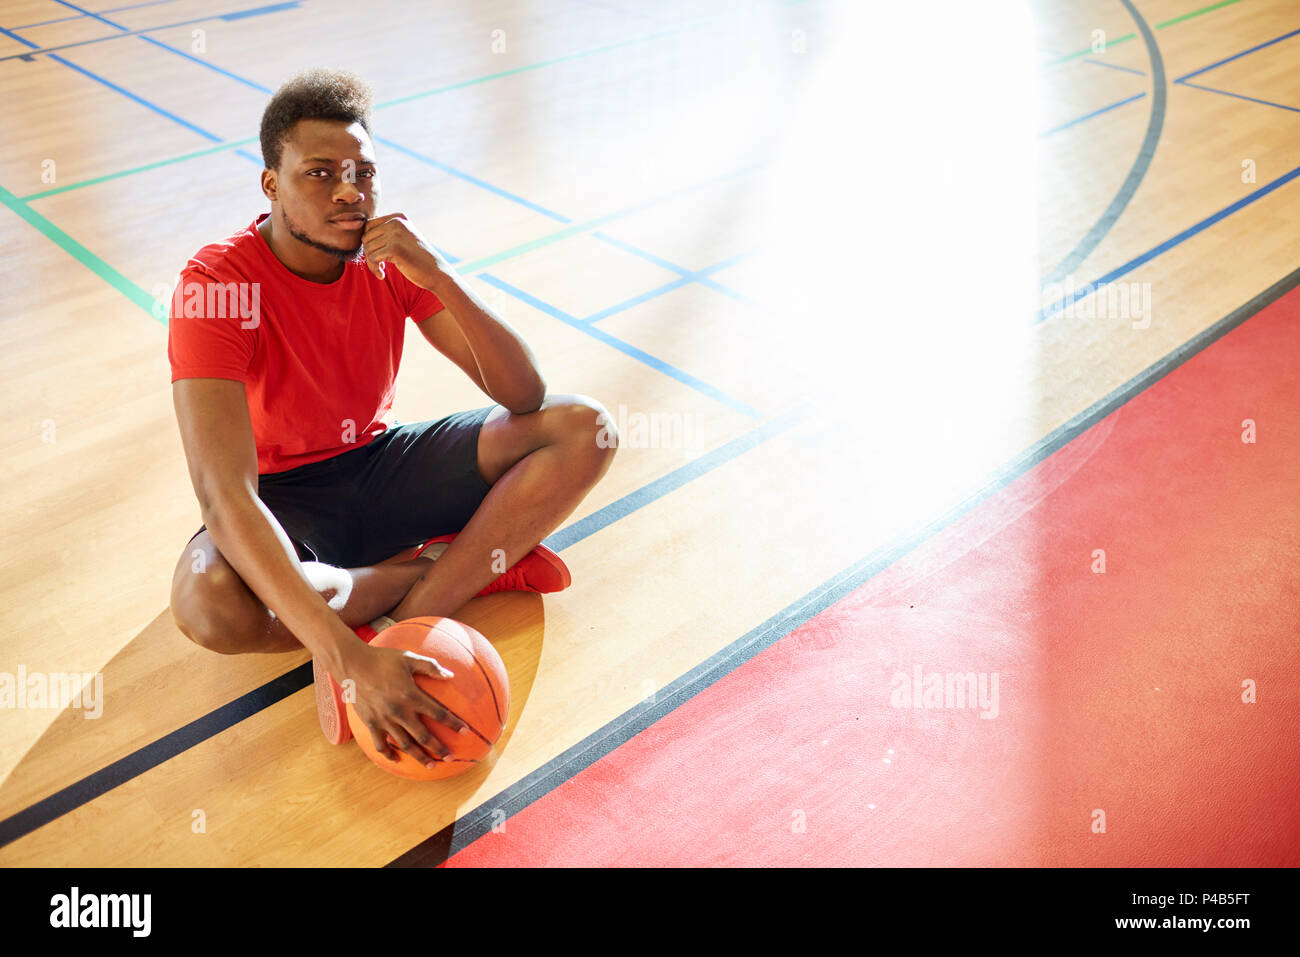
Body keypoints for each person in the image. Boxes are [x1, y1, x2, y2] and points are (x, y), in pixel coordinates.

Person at [167, 68, 618, 772]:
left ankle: (413, 603)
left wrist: (438, 276)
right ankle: (450, 568)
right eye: (320, 174)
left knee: (583, 428)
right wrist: (343, 657)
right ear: (270, 185)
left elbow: (526, 394)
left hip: (379, 469)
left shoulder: (390, 258)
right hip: (283, 500)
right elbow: (225, 497)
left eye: (362, 174)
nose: (349, 192)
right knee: (207, 603)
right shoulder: (218, 285)